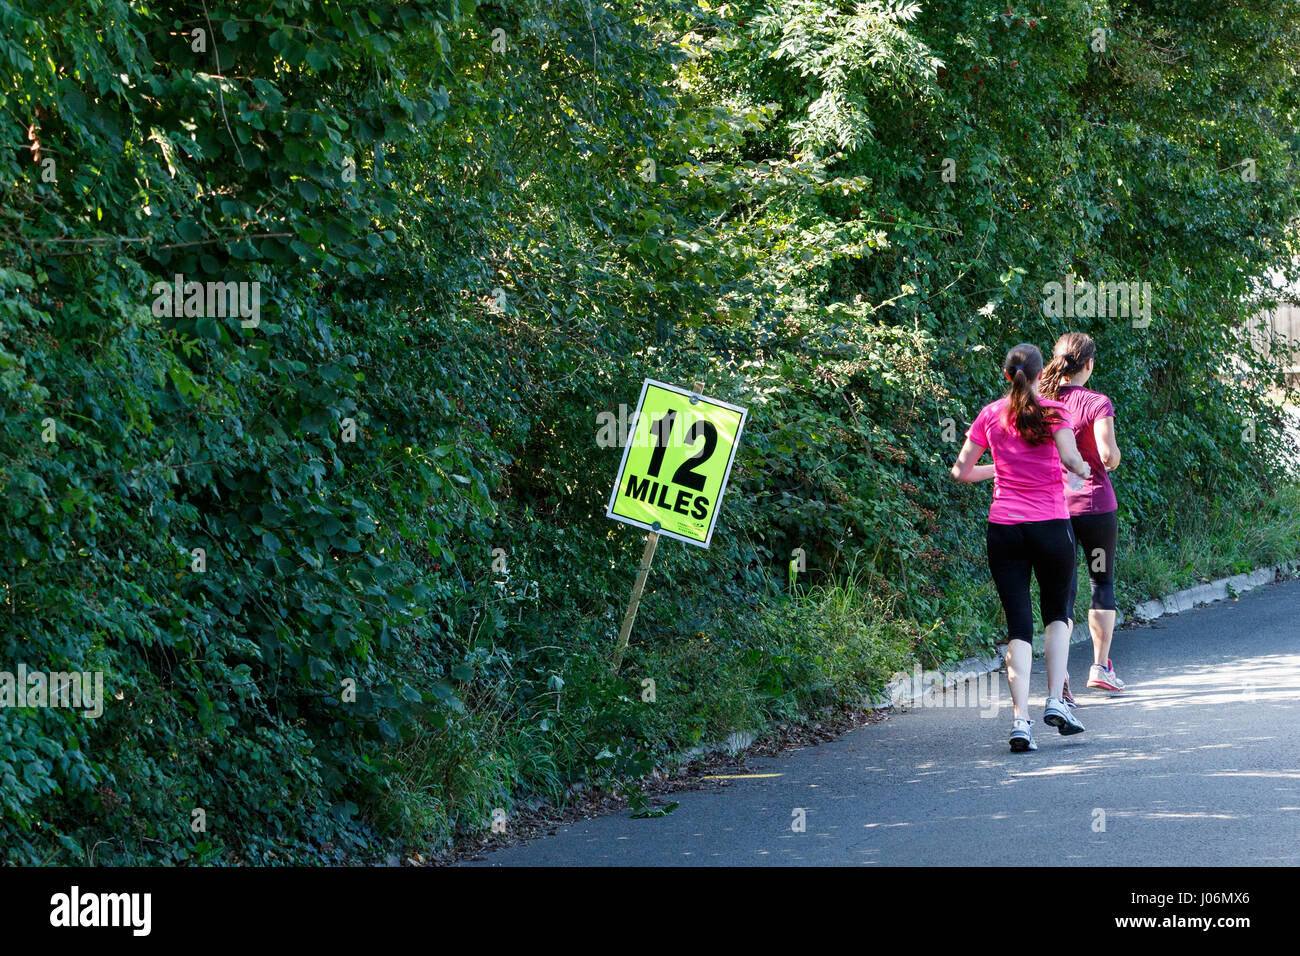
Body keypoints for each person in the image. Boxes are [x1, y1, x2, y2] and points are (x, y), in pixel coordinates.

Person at [950, 344, 1092, 752]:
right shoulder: (1053, 411)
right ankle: (1054, 701)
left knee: (1018, 625)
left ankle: (1019, 722)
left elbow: (960, 471)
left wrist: (1001, 467)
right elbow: (1069, 458)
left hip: (1005, 530)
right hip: (1050, 526)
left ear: (1007, 375)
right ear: (1038, 374)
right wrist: (1082, 468)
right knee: (1057, 614)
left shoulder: (990, 414)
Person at [1040, 332, 1125, 695]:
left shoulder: (1039, 402)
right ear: (1088, 364)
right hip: (1095, 508)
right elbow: (1108, 456)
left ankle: (1060, 679)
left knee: (1062, 589)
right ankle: (1099, 667)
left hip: (1053, 508)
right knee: (1100, 582)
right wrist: (1114, 458)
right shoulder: (1097, 403)